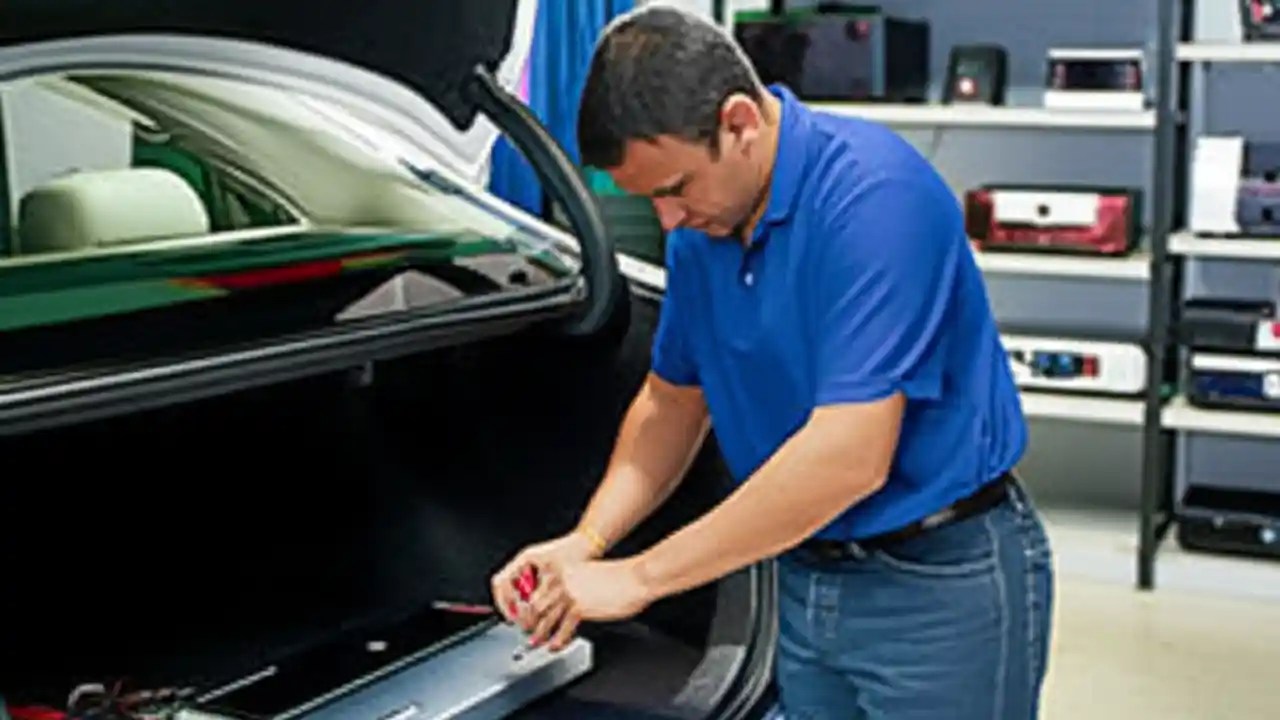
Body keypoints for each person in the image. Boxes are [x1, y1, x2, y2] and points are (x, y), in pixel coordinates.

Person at [490, 6, 1055, 719]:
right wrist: (588, 542)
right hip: (801, 567)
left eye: (674, 189)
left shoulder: (877, 200)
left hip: (935, 583)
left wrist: (640, 577)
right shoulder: (706, 224)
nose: (667, 222)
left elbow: (849, 457)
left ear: (739, 123)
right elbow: (672, 403)